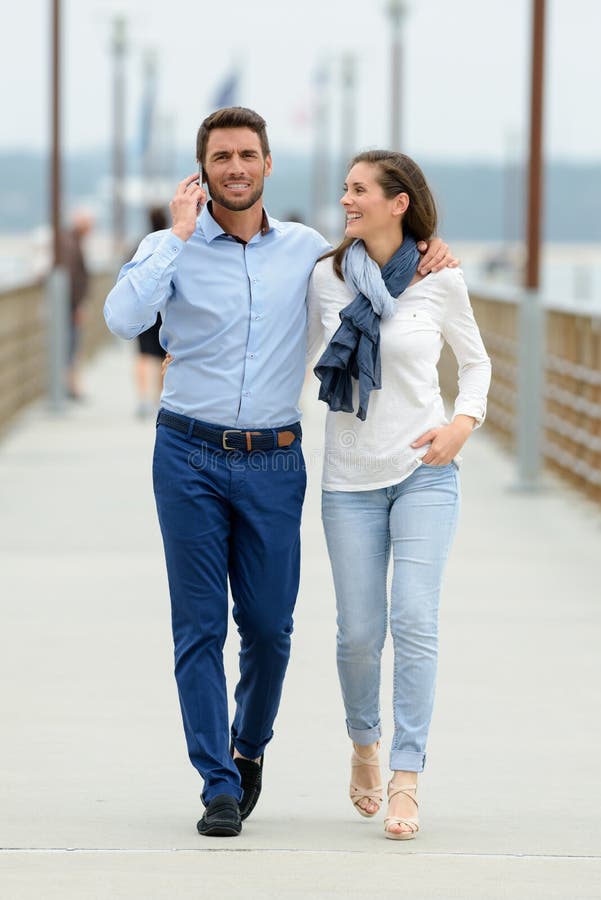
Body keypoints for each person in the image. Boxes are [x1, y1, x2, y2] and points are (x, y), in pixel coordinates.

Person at [104, 107, 454, 838]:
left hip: (272, 460)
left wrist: (428, 250)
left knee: (268, 627)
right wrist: (173, 237)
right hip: (186, 454)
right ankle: (217, 783)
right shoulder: (169, 247)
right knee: (199, 626)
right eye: (221, 156)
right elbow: (120, 316)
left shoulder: (305, 252)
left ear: (267, 166)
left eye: (247, 155)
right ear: (203, 170)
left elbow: (375, 265)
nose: (235, 167)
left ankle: (248, 746)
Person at [307, 151, 491, 840]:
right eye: (345, 190)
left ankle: (406, 775)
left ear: (397, 202)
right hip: (348, 481)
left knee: (414, 620)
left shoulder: (440, 280)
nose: (346, 200)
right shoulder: (325, 279)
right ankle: (364, 746)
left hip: (424, 472)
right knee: (359, 634)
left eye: (358, 191)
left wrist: (462, 425)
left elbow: (474, 364)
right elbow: (283, 350)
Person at [131, 207, 168, 418]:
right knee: (165, 356)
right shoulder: (171, 243)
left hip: (144, 309)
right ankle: (160, 398)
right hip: (164, 309)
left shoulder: (143, 244)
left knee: (144, 355)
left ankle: (143, 398)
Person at [62, 210, 94, 400]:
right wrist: (77, 306)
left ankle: (71, 387)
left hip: (70, 305)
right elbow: (72, 279)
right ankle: (71, 388)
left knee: (72, 347)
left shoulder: (70, 242)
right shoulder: (71, 245)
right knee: (72, 348)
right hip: (71, 307)